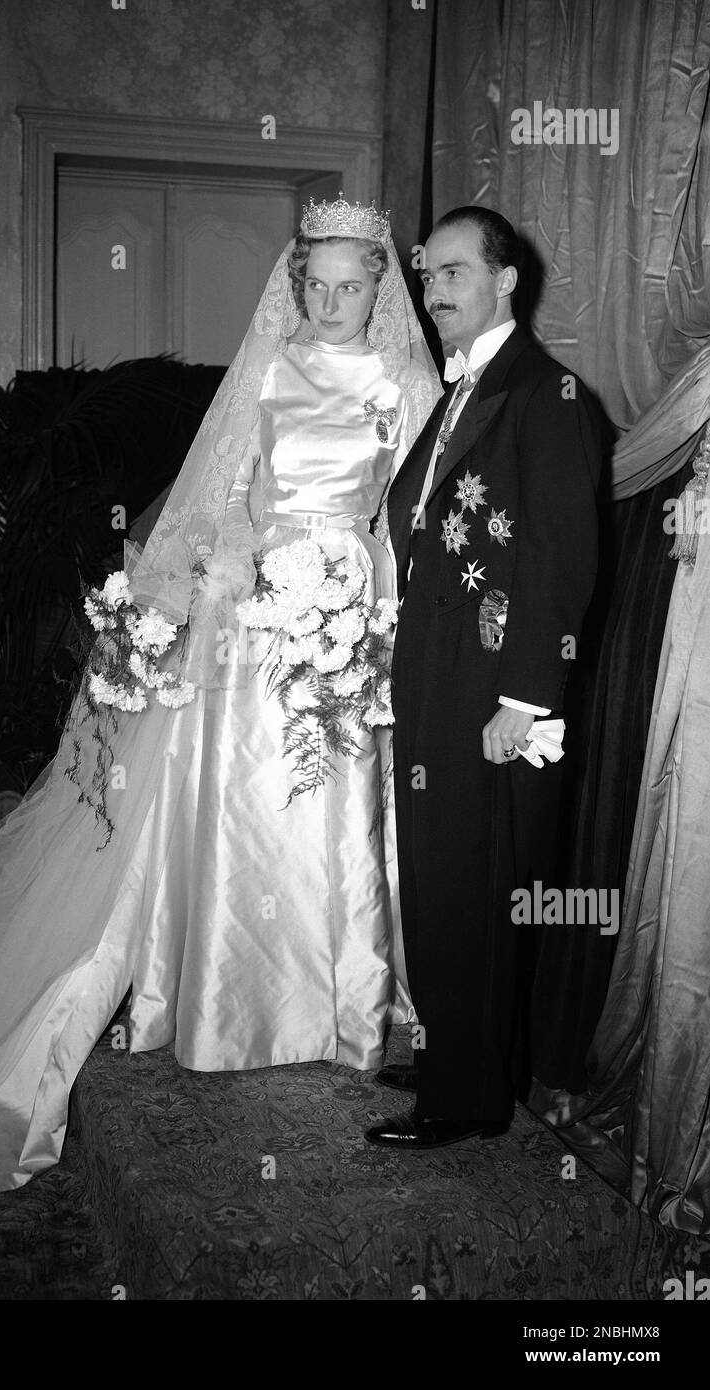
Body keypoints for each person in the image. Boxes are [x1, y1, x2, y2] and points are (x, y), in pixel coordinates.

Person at [0, 197, 440, 1208]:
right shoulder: (269, 371)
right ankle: (222, 996)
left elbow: (407, 513)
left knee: (342, 803)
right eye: (316, 285)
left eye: (351, 285)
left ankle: (349, 997)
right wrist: (237, 579)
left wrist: (368, 595)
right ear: (295, 286)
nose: (332, 303)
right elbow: (227, 503)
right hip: (251, 621)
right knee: (242, 800)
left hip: (356, 610)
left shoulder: (406, 384)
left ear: (380, 285)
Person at [366, 206, 602, 1151]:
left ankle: (464, 1102)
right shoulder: (457, 393)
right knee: (439, 882)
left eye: (455, 273)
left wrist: (522, 700)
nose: (436, 292)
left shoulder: (548, 396)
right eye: (428, 278)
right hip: (434, 677)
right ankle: (456, 1055)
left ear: (506, 280)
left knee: (474, 886)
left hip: (493, 692)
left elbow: (560, 557)